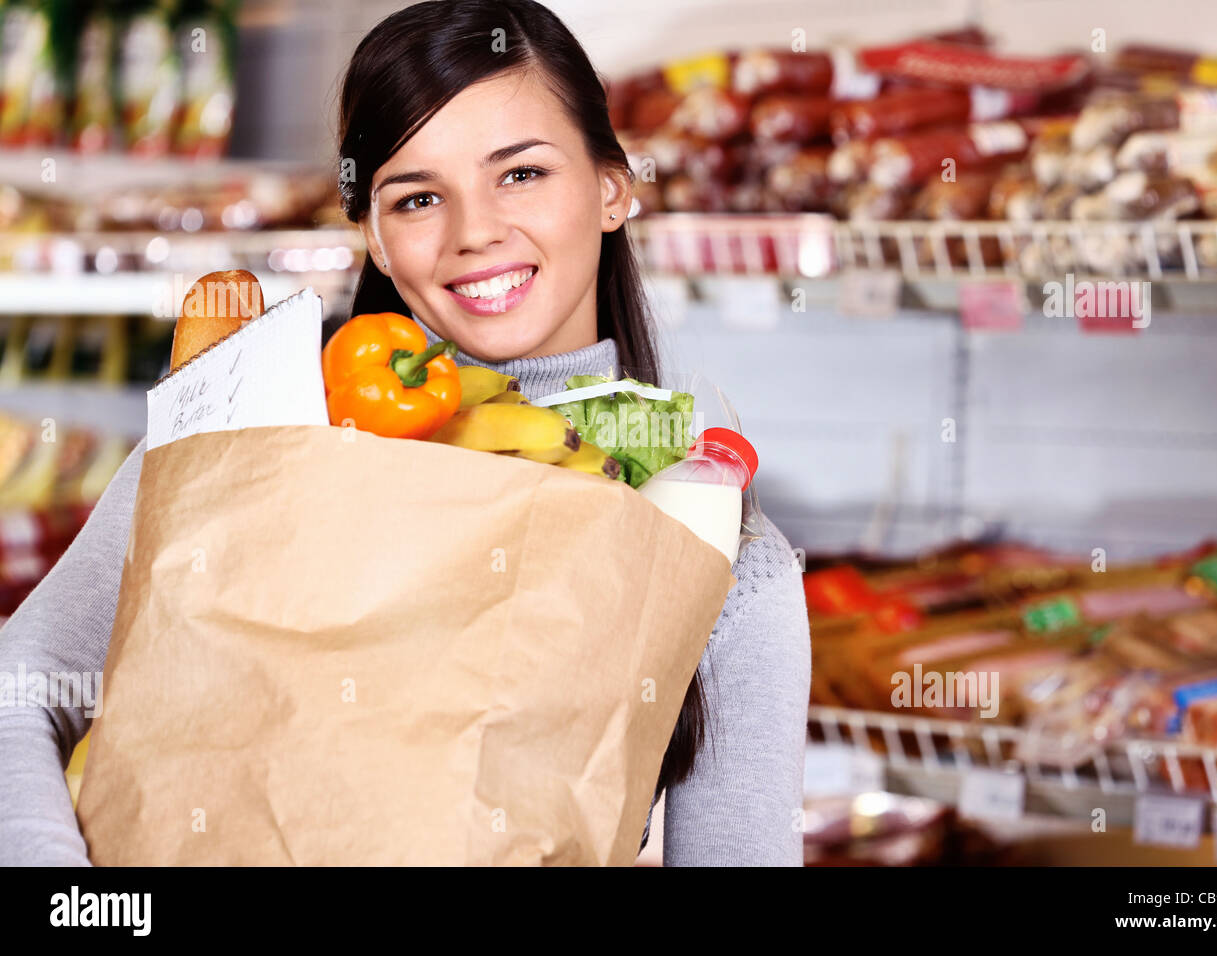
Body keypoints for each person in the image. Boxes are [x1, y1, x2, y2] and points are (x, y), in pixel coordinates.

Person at [0, 0, 810, 866]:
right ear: (376, 238)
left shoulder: (717, 550)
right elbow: (22, 685)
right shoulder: (252, 441)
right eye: (418, 197)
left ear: (613, 188)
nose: (475, 233)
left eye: (521, 173)